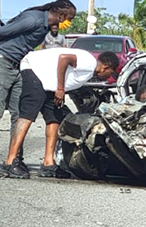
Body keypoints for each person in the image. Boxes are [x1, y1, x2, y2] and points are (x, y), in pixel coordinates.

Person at [1, 48, 117, 179]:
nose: (109, 76)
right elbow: (64, 58)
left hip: (49, 82)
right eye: (111, 73)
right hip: (35, 70)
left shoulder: (89, 72)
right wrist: (60, 88)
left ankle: (48, 163)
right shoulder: (89, 62)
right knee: (27, 115)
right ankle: (10, 162)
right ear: (106, 67)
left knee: (54, 117)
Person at [0, 0, 77, 178]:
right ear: (61, 15)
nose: (69, 22)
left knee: (19, 113)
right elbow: (3, 32)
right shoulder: (33, 19)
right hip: (3, 61)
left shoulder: (45, 28)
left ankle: (13, 160)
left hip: (17, 65)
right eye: (70, 18)